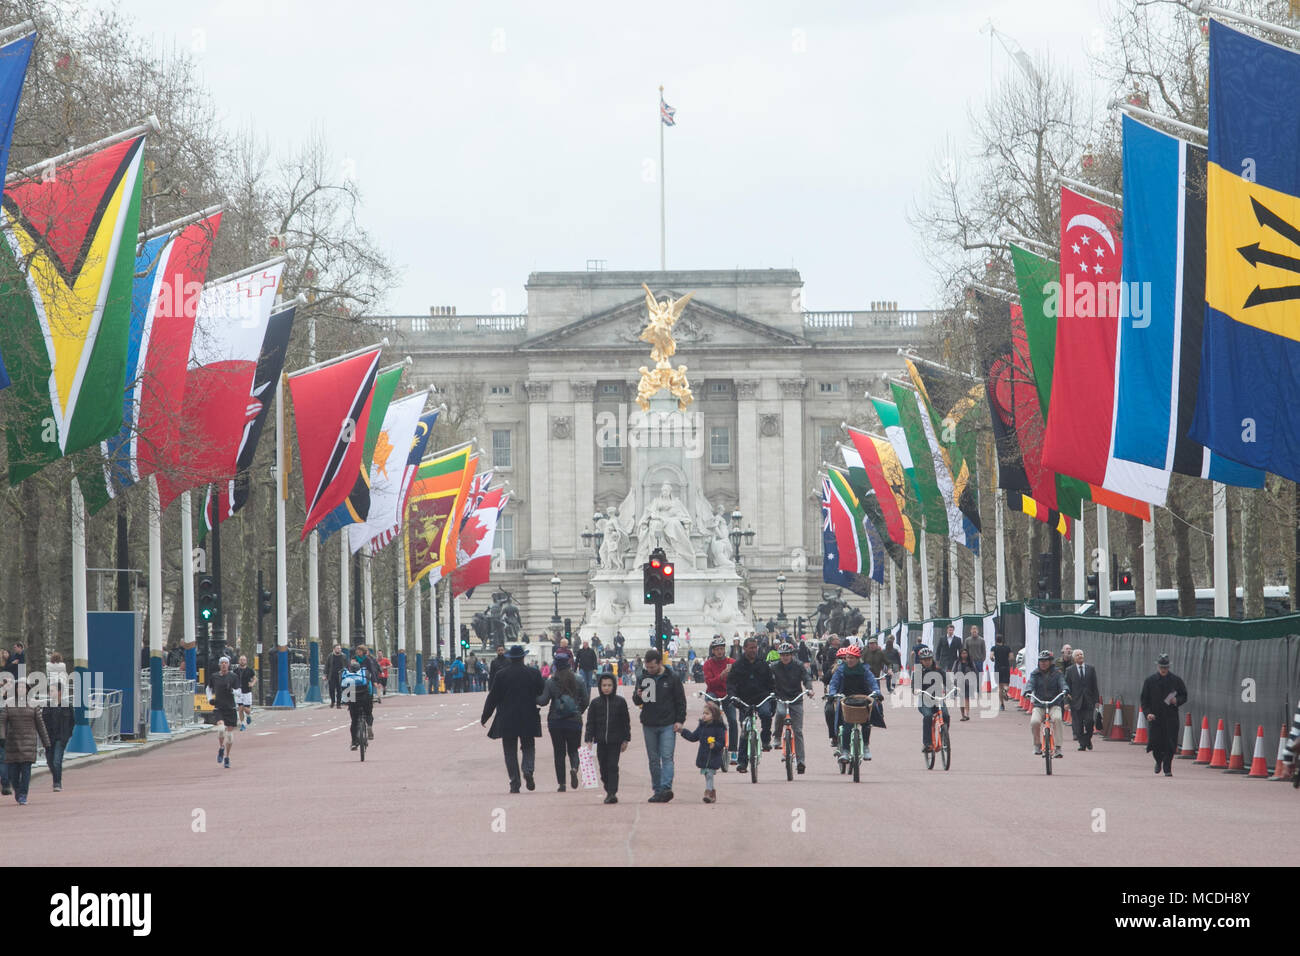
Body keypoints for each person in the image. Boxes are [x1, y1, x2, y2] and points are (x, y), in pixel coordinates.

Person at [481, 645, 546, 793]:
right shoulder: (533, 673)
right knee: (528, 746)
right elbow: (541, 690)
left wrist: (485, 716)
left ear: (510, 658)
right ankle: (528, 769)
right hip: (528, 715)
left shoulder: (501, 675)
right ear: (523, 657)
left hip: (507, 717)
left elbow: (493, 697)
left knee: (509, 751)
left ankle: (514, 782)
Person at [632, 648, 686, 803]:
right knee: (653, 759)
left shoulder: (672, 678)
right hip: (649, 723)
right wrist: (638, 696)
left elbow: (680, 701)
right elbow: (637, 701)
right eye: (648, 667)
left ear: (660, 663)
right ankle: (657, 789)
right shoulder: (643, 677)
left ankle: (666, 788)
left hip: (668, 723)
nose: (650, 670)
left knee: (667, 757)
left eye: (652, 667)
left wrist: (679, 720)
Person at [536, 650, 589, 792]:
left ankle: (562, 784)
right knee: (574, 749)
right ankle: (574, 768)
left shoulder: (551, 681)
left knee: (559, 753)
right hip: (574, 720)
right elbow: (586, 700)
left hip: (555, 720)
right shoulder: (579, 679)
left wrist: (533, 696)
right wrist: (578, 711)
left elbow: (543, 701)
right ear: (569, 663)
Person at [726, 636, 776, 772]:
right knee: (745, 729)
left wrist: (772, 696)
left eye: (755, 647)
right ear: (745, 648)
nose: (754, 650)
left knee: (766, 715)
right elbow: (731, 683)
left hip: (762, 697)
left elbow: (771, 683)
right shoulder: (737, 665)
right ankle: (742, 762)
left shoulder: (763, 664)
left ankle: (765, 740)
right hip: (744, 700)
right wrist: (733, 696)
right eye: (751, 648)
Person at [828, 644, 882, 761]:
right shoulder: (841, 670)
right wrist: (832, 693)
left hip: (863, 699)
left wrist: (876, 691)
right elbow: (834, 683)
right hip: (846, 699)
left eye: (852, 657)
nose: (849, 660)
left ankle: (866, 746)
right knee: (847, 725)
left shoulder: (864, 670)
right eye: (847, 657)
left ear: (858, 658)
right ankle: (846, 751)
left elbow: (872, 682)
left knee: (867, 723)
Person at [584, 670, 631, 803]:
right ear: (600, 686)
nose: (606, 688)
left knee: (612, 766)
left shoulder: (620, 702)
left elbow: (625, 722)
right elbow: (590, 722)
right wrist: (588, 738)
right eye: (604, 685)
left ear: (614, 686)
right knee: (603, 767)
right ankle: (608, 786)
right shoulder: (595, 703)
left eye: (609, 685)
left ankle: (612, 793)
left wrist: (626, 739)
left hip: (615, 741)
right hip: (600, 741)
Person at [3, 677, 50, 805]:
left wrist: (46, 742)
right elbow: (2, 722)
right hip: (13, 743)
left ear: (28, 690)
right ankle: (17, 791)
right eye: (19, 687)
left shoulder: (34, 704)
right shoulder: (9, 703)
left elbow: (40, 725)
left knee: (26, 770)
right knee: (13, 773)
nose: (22, 690)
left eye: (24, 688)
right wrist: (2, 737)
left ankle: (23, 794)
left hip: (29, 742)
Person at [1140, 653, 1188, 776]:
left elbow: (1184, 695)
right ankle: (1158, 760)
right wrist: (1148, 713)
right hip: (1155, 717)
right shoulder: (1150, 681)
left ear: (1168, 667)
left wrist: (1176, 700)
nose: (1163, 670)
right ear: (1158, 667)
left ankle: (1167, 767)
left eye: (1165, 667)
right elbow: (1144, 700)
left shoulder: (1176, 680)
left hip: (1170, 717)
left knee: (1170, 743)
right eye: (1161, 667)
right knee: (1155, 743)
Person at [771, 642, 814, 773]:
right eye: (783, 655)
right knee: (780, 713)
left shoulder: (798, 665)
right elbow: (768, 680)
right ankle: (777, 736)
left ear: (791, 655)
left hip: (796, 699)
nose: (785, 657)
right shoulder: (774, 667)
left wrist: (809, 689)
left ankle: (801, 761)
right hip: (781, 697)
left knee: (798, 731)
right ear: (780, 656)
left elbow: (806, 678)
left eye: (787, 655)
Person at [680, 699, 727, 803]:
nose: (704, 716)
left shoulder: (719, 727)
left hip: (713, 756)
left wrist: (715, 745)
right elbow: (693, 737)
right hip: (704, 755)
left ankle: (708, 792)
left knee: (709, 774)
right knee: (707, 774)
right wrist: (682, 731)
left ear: (714, 715)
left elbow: (722, 742)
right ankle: (712, 792)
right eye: (704, 713)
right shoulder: (702, 726)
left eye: (707, 714)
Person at [701, 637, 737, 769]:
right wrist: (721, 676)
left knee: (733, 720)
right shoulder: (708, 664)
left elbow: (738, 678)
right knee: (713, 720)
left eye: (722, 649)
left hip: (728, 693)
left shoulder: (731, 662)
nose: (720, 652)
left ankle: (734, 751)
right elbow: (709, 683)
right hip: (714, 693)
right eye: (717, 649)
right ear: (713, 651)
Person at [1024, 650, 1067, 759]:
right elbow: (1031, 683)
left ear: (1051, 662)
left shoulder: (1057, 673)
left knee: (1057, 719)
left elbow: (1062, 683)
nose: (1043, 663)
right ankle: (1037, 745)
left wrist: (1065, 689)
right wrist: (1028, 690)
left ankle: (1058, 747)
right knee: (1034, 722)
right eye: (1041, 661)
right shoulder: (1035, 673)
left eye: (1046, 661)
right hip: (1039, 705)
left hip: (1054, 704)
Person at [41, 659, 74, 792]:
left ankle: (57, 783)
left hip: (61, 737)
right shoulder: (47, 706)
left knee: (56, 760)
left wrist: (67, 735)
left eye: (53, 690)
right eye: (50, 691)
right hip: (49, 737)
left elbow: (73, 721)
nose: (51, 693)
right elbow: (42, 721)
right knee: (49, 761)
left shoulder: (67, 706)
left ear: (60, 692)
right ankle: (56, 776)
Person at [206, 656, 241, 769]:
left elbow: (239, 692)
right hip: (219, 707)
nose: (224, 665)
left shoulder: (233, 677)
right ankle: (221, 747)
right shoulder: (214, 676)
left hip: (230, 708)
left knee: (230, 737)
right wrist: (210, 699)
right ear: (220, 665)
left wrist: (233, 691)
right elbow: (208, 688)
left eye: (226, 663)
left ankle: (227, 757)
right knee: (221, 729)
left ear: (229, 664)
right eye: (222, 663)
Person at [915, 648, 948, 754]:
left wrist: (955, 687)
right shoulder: (918, 671)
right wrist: (916, 689)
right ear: (921, 661)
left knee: (946, 715)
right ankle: (927, 743)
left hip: (938, 699)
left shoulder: (938, 669)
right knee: (928, 716)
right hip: (924, 700)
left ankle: (944, 735)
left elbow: (947, 681)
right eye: (925, 660)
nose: (927, 661)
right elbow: (914, 685)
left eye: (929, 659)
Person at [340, 659, 374, 750]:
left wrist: (345, 701)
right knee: (368, 713)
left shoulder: (347, 676)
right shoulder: (364, 673)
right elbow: (370, 688)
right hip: (365, 698)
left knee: (354, 721)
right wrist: (371, 698)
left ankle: (354, 742)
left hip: (353, 699)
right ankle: (369, 725)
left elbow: (343, 690)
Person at [950, 648, 978, 721]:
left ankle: (967, 714)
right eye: (963, 653)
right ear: (960, 654)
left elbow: (975, 671)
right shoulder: (957, 662)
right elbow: (953, 671)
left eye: (965, 653)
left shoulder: (970, 662)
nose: (964, 655)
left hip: (968, 683)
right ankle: (963, 715)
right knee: (961, 699)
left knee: (967, 698)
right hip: (960, 683)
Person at [964, 626, 987, 704]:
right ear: (970, 631)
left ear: (978, 631)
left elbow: (984, 651)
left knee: (979, 676)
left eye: (975, 631)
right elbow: (965, 650)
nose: (974, 632)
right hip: (970, 661)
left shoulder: (981, 640)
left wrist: (982, 659)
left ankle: (979, 691)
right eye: (973, 631)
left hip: (979, 661)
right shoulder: (967, 640)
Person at [234, 654, 256, 729]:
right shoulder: (236, 671)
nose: (242, 661)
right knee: (240, 708)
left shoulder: (249, 670)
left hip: (247, 691)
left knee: (246, 709)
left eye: (243, 660)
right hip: (239, 691)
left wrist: (252, 683)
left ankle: (248, 715)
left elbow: (255, 678)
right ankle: (243, 723)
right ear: (239, 661)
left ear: (246, 661)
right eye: (241, 660)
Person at [991, 633, 1012, 711]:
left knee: (1000, 687)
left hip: (997, 668)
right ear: (1002, 640)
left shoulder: (994, 648)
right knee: (1006, 684)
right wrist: (1006, 659)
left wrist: (993, 659)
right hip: (1006, 667)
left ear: (996, 640)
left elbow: (991, 656)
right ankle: (1005, 691)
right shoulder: (1007, 648)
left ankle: (1002, 705)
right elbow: (1011, 657)